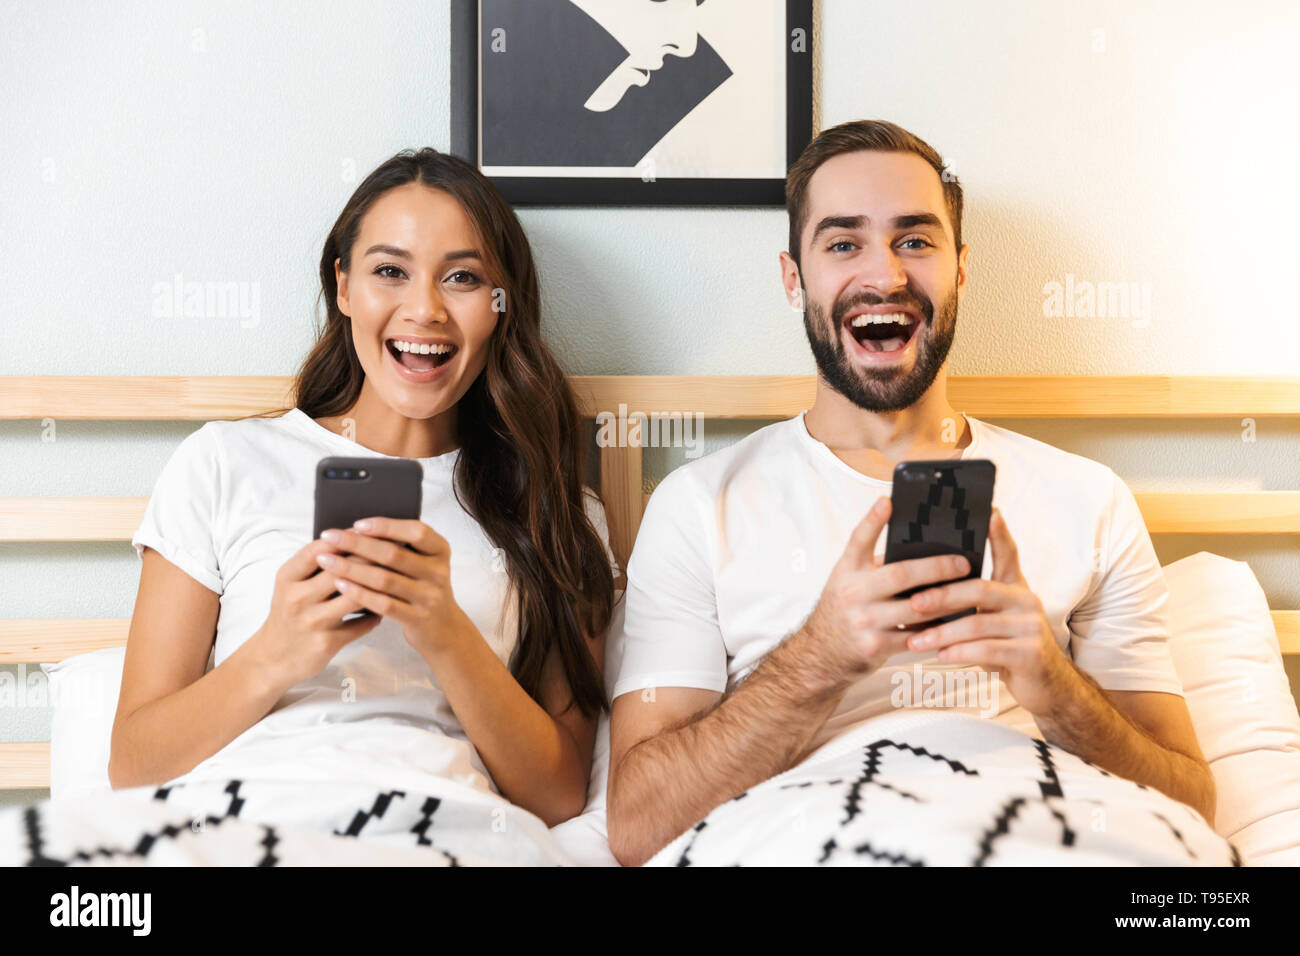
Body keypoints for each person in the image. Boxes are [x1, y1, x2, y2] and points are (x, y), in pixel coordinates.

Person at [606, 119, 1217, 866]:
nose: (886, 276)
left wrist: (1053, 685)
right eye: (842, 243)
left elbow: (1190, 805)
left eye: (916, 241)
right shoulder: (701, 506)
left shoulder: (1089, 499)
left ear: (961, 269)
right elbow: (636, 826)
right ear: (793, 278)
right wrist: (822, 657)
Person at [109, 148, 615, 830]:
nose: (426, 309)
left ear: (500, 306)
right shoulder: (225, 463)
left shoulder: (555, 510)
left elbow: (558, 795)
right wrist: (277, 652)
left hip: (444, 834)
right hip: (248, 829)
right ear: (344, 287)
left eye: (462, 277)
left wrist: (445, 632)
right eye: (390, 272)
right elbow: (134, 765)